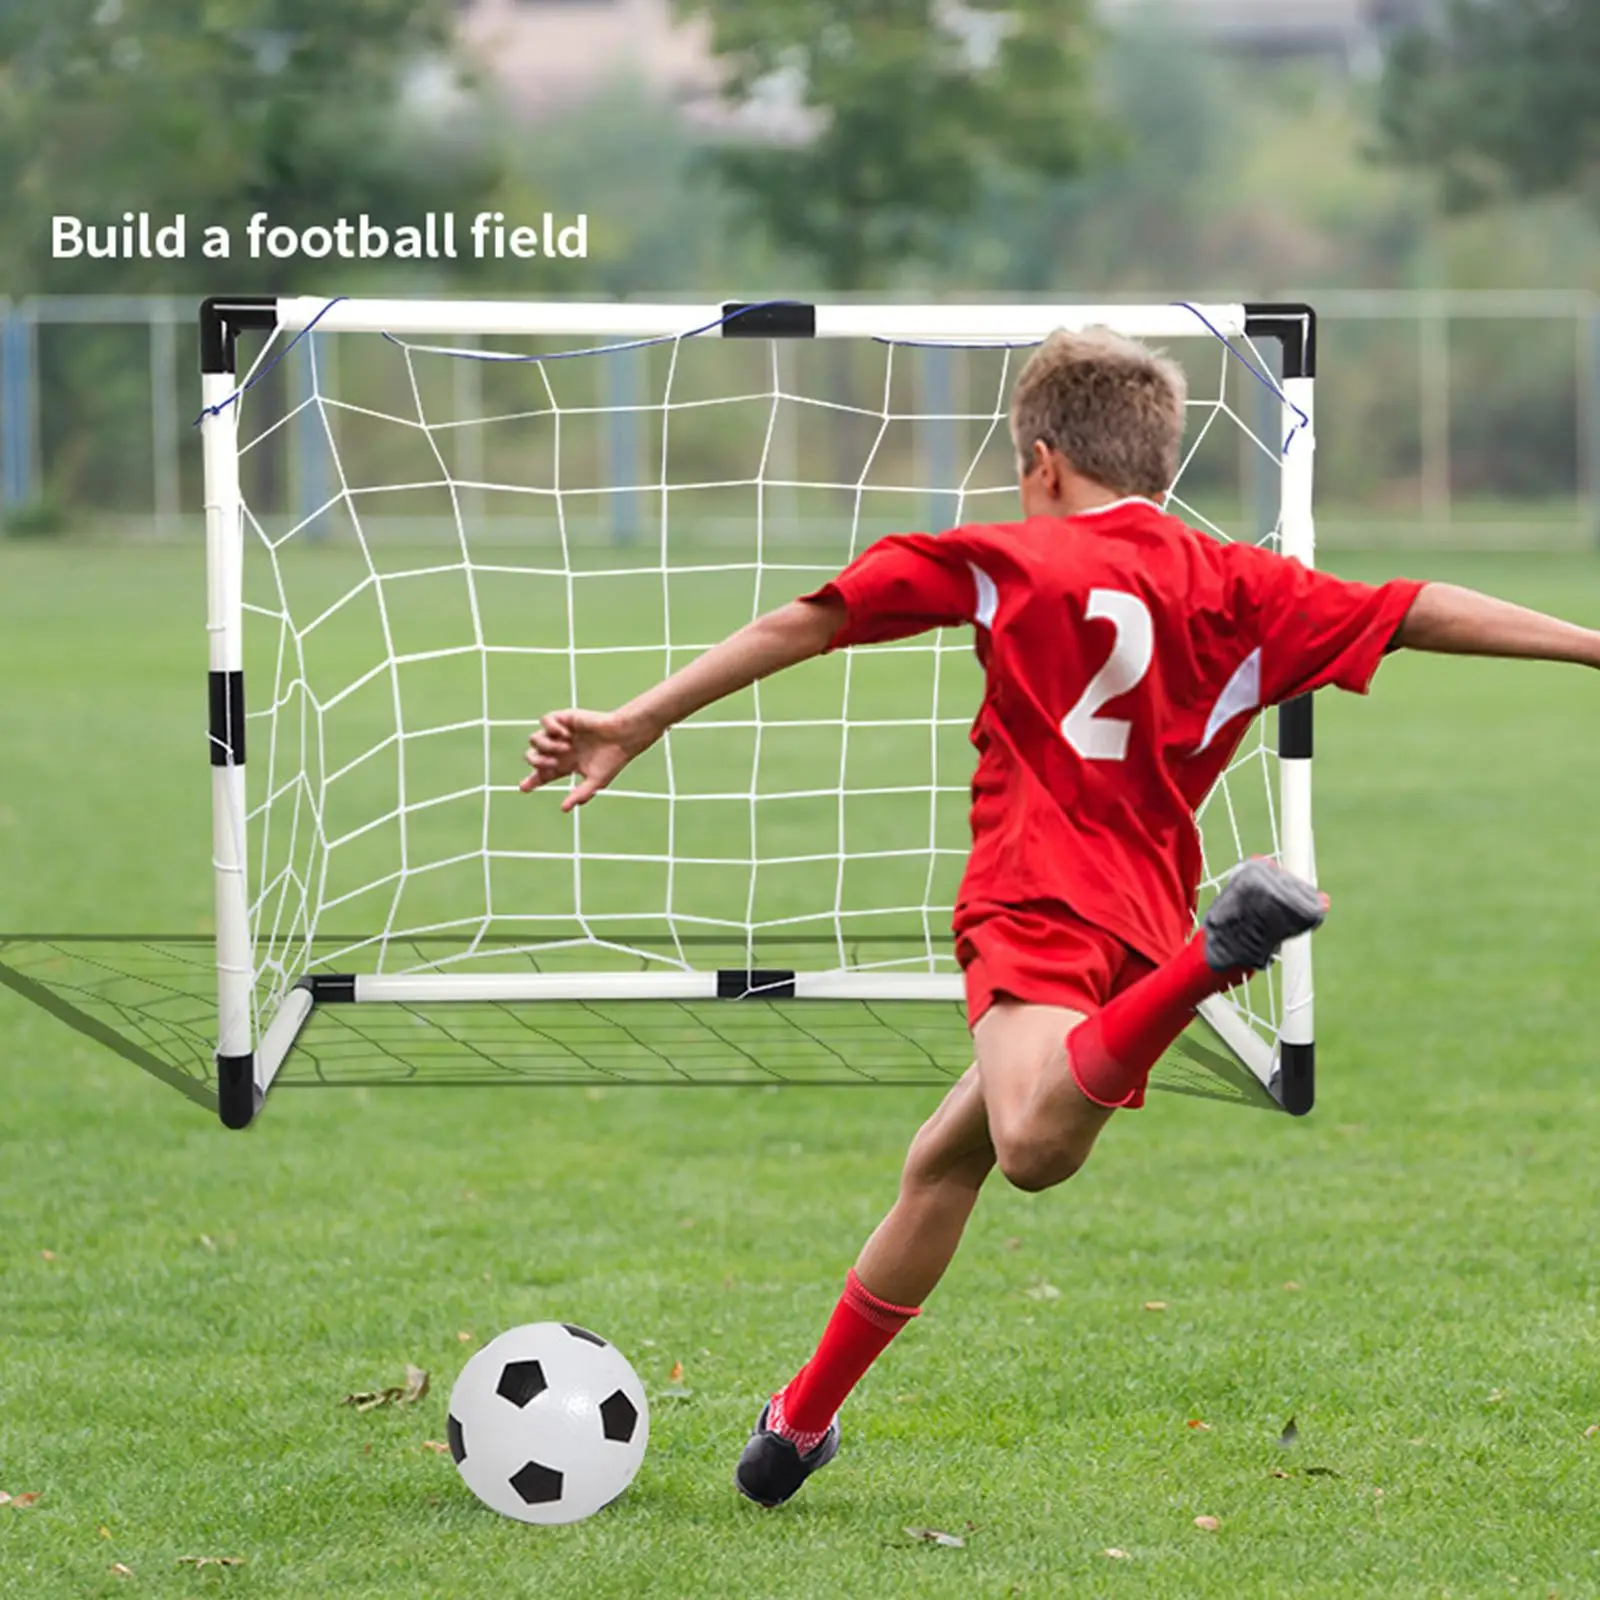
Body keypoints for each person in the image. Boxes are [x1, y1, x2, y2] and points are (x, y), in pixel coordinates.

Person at [520, 327, 1600, 1508]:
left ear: (1041, 462)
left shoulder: (1004, 557)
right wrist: (1589, 646)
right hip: (1136, 913)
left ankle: (1215, 957)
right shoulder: (1243, 584)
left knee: (1031, 1146)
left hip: (1036, 892)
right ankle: (799, 1422)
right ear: (1159, 463)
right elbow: (1415, 607)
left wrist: (641, 717)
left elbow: (809, 619)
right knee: (945, 1161)